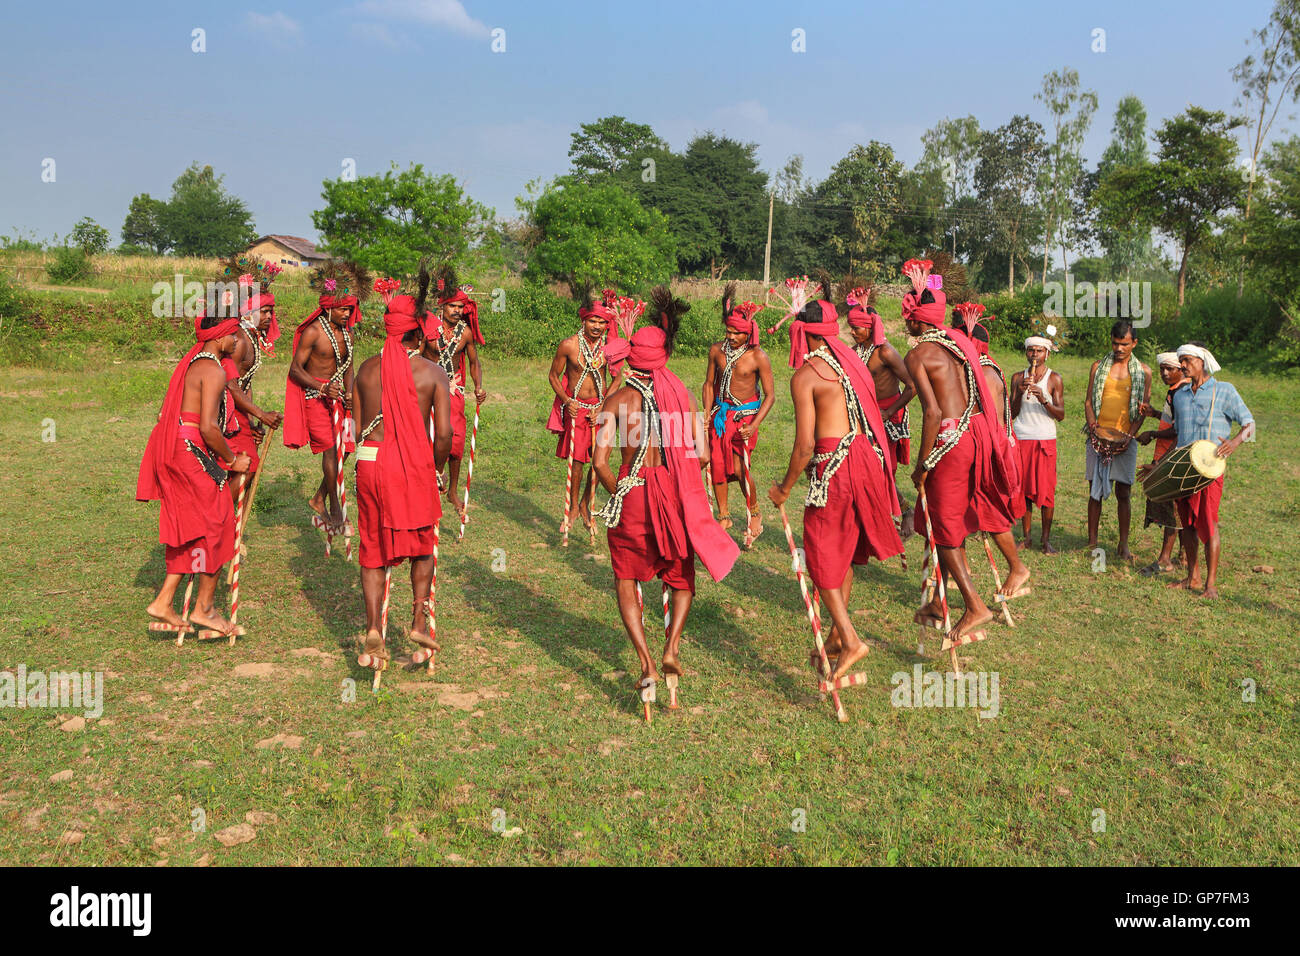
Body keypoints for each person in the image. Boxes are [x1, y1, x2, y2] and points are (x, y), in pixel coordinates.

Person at [593, 287, 739, 707]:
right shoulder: (685, 398)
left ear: (632, 359)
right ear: (664, 358)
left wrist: (619, 491)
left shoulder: (617, 400)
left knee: (626, 577)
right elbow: (706, 456)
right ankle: (671, 646)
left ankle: (645, 662)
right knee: (680, 577)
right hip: (675, 497)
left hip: (634, 495)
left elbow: (599, 460)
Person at [768, 291, 903, 681]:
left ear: (804, 334)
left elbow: (806, 445)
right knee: (842, 553)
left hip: (835, 470)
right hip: (866, 462)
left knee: (822, 555)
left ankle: (851, 638)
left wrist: (785, 488)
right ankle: (834, 638)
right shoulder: (852, 364)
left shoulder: (807, 376)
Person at [901, 260, 1014, 643]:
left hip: (949, 444)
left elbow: (932, 411)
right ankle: (938, 598)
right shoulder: (958, 346)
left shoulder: (918, 355)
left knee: (946, 532)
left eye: (908, 318)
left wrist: (921, 464)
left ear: (918, 321)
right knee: (947, 522)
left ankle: (974, 605)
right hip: (971, 439)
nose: (905, 324)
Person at [352, 276, 453, 672]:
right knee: (422, 543)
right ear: (418, 333)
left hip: (369, 462)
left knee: (373, 549)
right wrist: (438, 470)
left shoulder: (365, 369)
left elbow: (358, 427)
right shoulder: (431, 373)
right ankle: (415, 621)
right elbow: (443, 434)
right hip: (409, 465)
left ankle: (374, 627)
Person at [138, 309, 251, 636]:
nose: (236, 340)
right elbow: (208, 427)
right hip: (188, 450)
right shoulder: (212, 371)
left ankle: (163, 601)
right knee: (218, 522)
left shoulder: (193, 363)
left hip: (175, 448)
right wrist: (231, 460)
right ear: (219, 338)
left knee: (192, 524)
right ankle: (204, 609)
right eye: (233, 334)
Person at [950, 304, 1031, 602]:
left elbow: (982, 421)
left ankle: (1017, 567)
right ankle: (959, 568)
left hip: (990, 452)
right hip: (979, 448)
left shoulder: (983, 371)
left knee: (988, 512)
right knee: (956, 509)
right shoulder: (973, 367)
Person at [1163, 343, 1256, 599]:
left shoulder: (1223, 390)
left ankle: (1211, 585)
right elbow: (1177, 433)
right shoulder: (1180, 395)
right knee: (1188, 524)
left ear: (1202, 362)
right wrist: (1161, 464)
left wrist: (1234, 442)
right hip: (1184, 468)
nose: (1182, 365)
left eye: (1188, 360)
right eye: (1181, 361)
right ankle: (1193, 577)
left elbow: (1249, 423)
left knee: (1209, 522)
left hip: (1211, 468)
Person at [284, 268, 366, 534]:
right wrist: (321, 386)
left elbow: (350, 367)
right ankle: (335, 512)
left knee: (348, 447)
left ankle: (319, 497)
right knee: (331, 450)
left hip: (339, 399)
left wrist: (350, 392)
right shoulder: (313, 332)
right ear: (329, 308)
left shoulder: (349, 334)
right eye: (343, 309)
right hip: (315, 399)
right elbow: (294, 370)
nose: (347, 314)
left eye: (350, 310)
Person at [702, 283, 775, 548]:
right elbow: (708, 383)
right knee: (717, 466)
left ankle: (754, 512)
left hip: (744, 420)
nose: (731, 337)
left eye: (736, 333)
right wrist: (707, 412)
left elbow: (770, 395)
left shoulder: (758, 357)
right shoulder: (716, 350)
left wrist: (754, 425)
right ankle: (723, 516)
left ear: (748, 334)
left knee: (738, 468)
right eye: (728, 331)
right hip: (720, 417)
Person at [842, 279, 917, 529]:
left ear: (869, 328)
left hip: (889, 416)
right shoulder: (855, 351)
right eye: (851, 327)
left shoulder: (885, 351)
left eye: (856, 328)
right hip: (865, 417)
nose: (852, 332)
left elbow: (912, 386)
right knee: (868, 467)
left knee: (883, 468)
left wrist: (888, 412)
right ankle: (880, 516)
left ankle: (904, 511)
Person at [422, 264, 486, 524]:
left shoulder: (466, 333)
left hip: (454, 391)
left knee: (456, 441)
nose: (458, 312)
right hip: (427, 390)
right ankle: (430, 483)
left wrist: (478, 386)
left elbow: (473, 362)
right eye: (453, 307)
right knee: (430, 439)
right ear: (442, 306)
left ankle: (452, 491)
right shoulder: (428, 328)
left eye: (461, 308)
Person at [1084, 320, 1151, 561]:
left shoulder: (1144, 372)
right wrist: (1094, 429)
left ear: (1134, 343)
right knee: (1094, 491)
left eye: (1124, 344)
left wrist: (1129, 437)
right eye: (1115, 343)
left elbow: (1142, 411)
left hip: (1125, 440)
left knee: (1124, 492)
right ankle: (1092, 544)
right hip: (1097, 437)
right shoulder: (1098, 367)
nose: (1119, 348)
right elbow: (1089, 402)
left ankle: (1123, 545)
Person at [547, 290, 612, 538]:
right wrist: (566, 401)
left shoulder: (609, 349)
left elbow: (617, 379)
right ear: (583, 321)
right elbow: (553, 376)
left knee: (599, 462)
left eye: (601, 322)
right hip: (577, 409)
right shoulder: (569, 345)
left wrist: (603, 406)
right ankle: (573, 508)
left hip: (600, 410)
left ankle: (586, 504)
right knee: (577, 461)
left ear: (607, 324)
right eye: (592, 321)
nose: (596, 326)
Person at [222, 278, 283, 531]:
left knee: (248, 466)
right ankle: (221, 521)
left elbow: (246, 384)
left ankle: (229, 528)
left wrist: (252, 421)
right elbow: (230, 385)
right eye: (265, 311)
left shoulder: (250, 337)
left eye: (271, 311)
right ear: (248, 311)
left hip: (238, 413)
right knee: (245, 466)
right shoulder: (239, 340)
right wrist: (261, 415)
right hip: (224, 412)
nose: (270, 316)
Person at [1135, 353, 1188, 575]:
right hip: (1175, 456)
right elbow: (1174, 421)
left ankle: (1165, 559)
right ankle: (1184, 556)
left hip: (1171, 457)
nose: (1165, 373)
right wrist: (1157, 413)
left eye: (1170, 369)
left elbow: (1179, 429)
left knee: (1170, 508)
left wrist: (1152, 434)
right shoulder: (1177, 391)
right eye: (1162, 369)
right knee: (1181, 507)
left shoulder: (1181, 392)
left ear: (1180, 369)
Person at [1010, 333, 1064, 553]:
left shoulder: (1054, 379)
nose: (1034, 355)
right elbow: (1011, 413)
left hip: (1044, 438)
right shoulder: (1017, 377)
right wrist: (1019, 393)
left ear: (1047, 354)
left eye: (1039, 351)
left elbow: (1060, 414)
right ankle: (1026, 537)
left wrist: (1043, 398)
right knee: (1023, 490)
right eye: (1031, 350)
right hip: (1022, 436)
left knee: (1046, 490)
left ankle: (1046, 539)